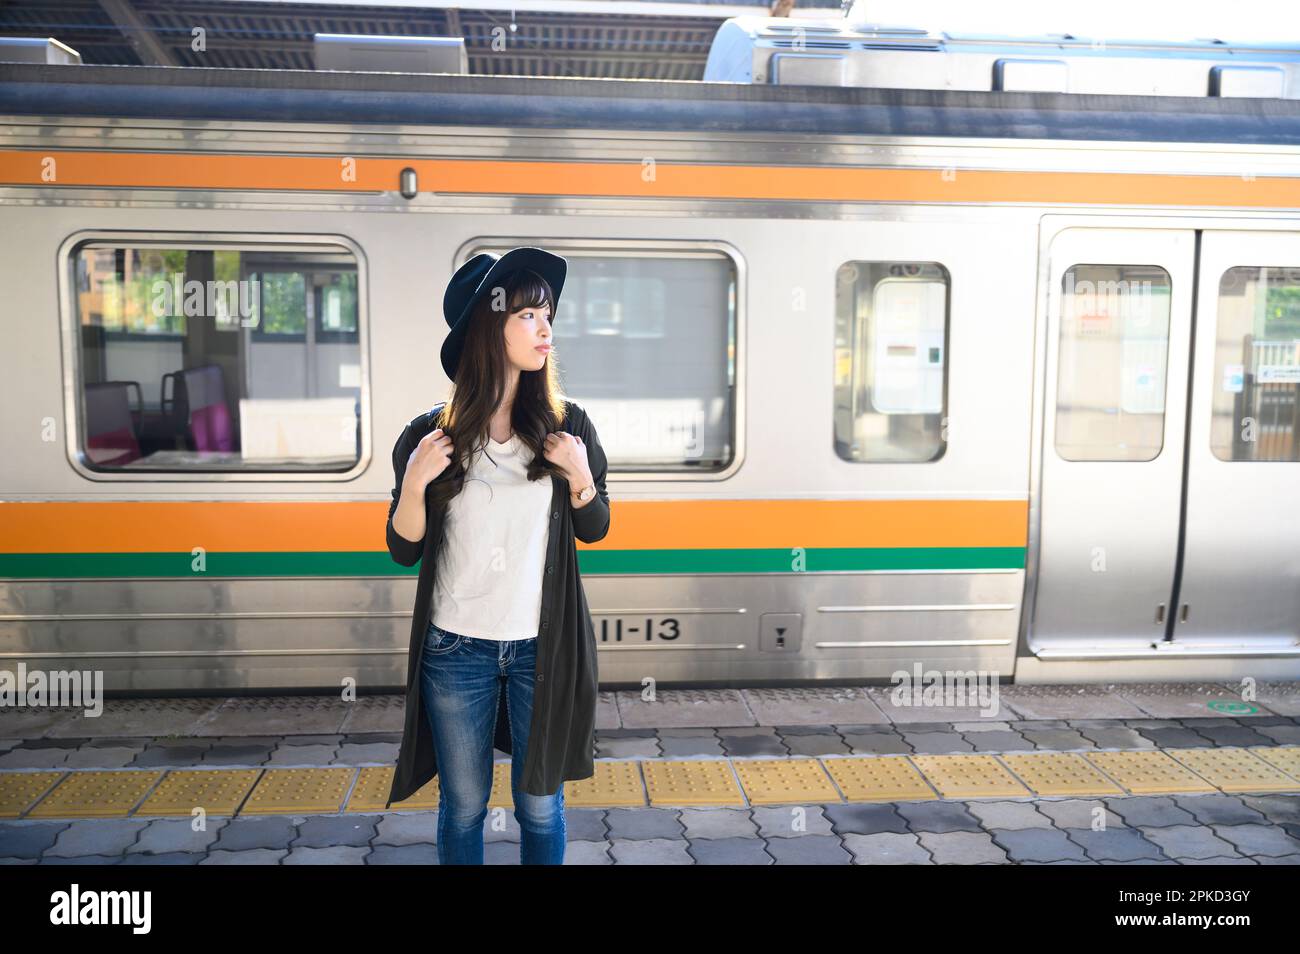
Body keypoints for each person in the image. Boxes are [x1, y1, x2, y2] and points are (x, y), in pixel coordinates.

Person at [388, 246, 606, 865]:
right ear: (489, 329)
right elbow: (403, 548)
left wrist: (580, 476)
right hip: (455, 649)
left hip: (545, 646)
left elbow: (596, 528)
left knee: (541, 804)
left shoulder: (571, 428)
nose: (546, 329)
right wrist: (413, 484)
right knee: (464, 805)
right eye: (528, 315)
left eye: (548, 316)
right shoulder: (430, 436)